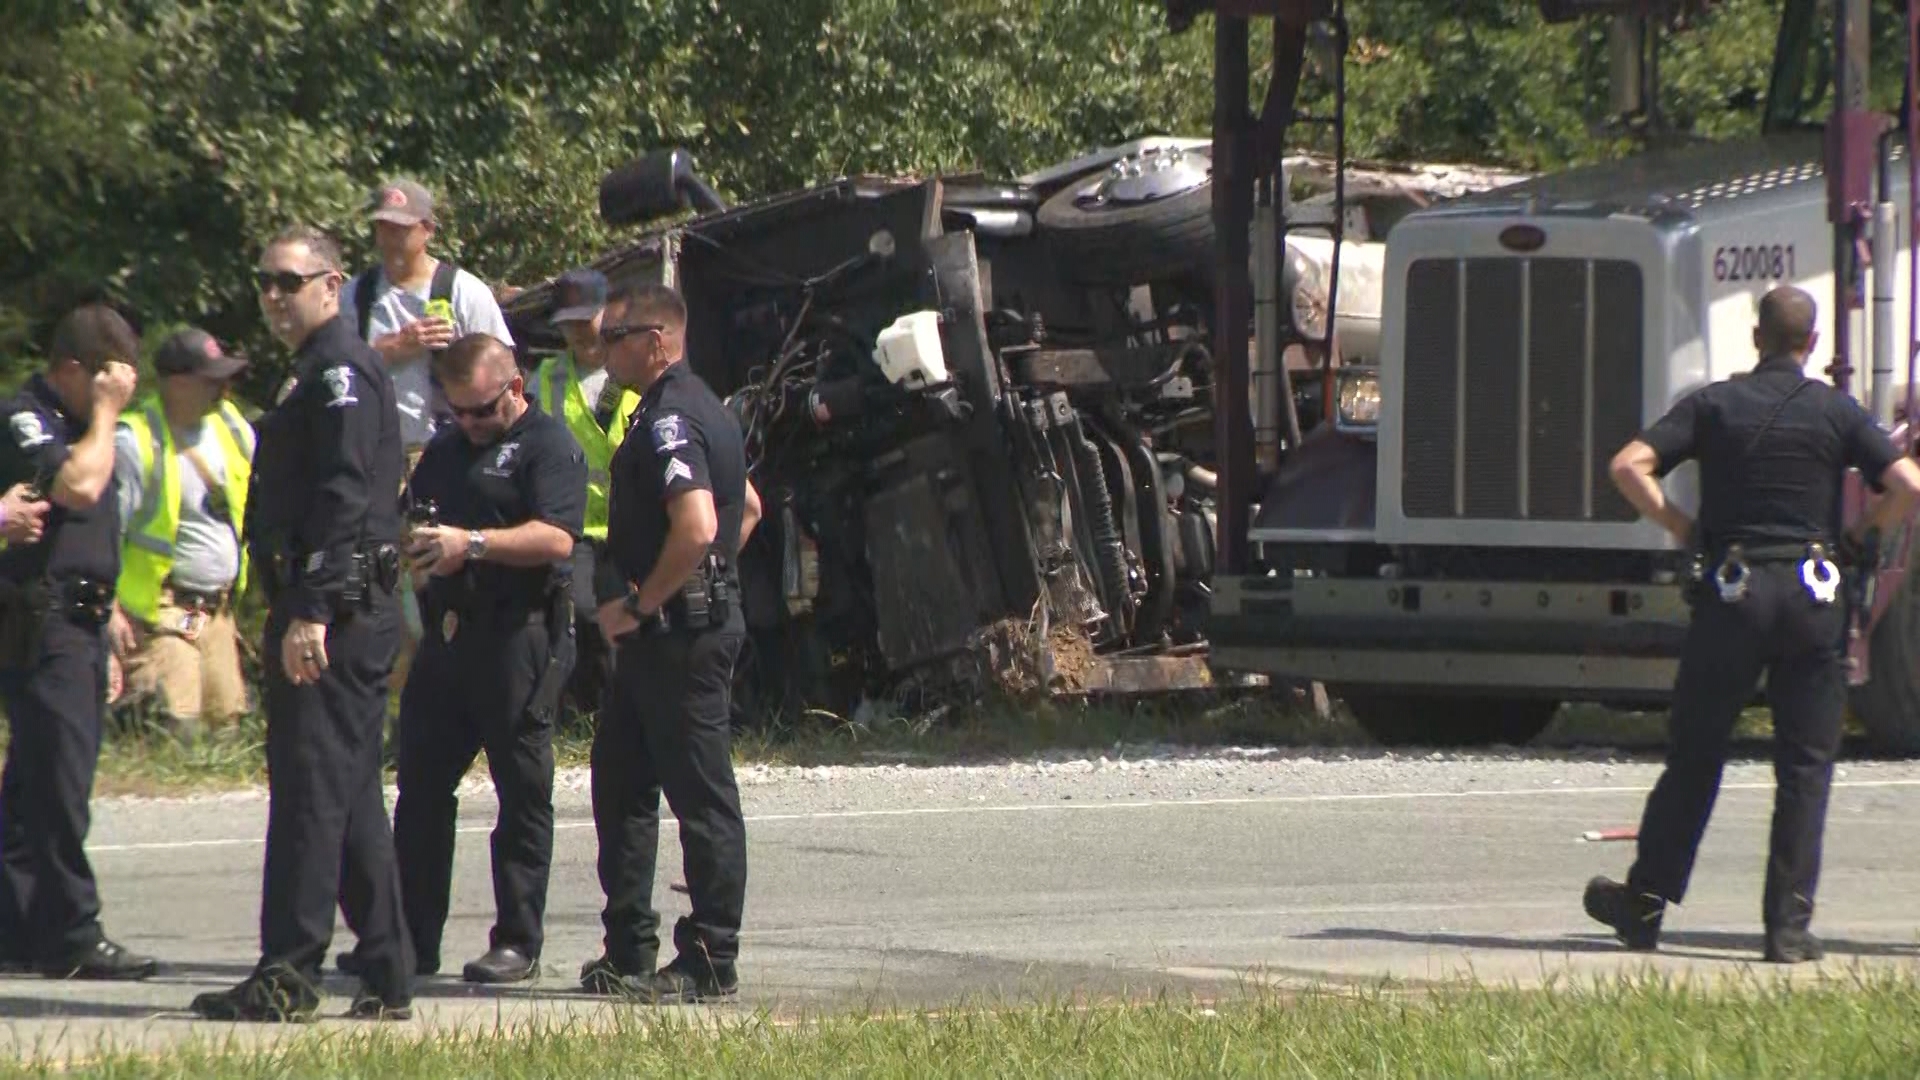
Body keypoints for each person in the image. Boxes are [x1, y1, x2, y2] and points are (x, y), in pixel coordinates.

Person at [1585, 284, 1920, 962]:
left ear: (1756, 338)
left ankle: (1644, 906)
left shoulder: (1715, 405)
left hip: (1732, 592)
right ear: (1813, 344)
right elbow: (1908, 484)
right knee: (1805, 765)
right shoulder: (1834, 410)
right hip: (1811, 592)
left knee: (1696, 756)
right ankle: (1787, 928)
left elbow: (1629, 465)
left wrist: (1684, 528)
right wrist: (1856, 539)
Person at [190, 224, 413, 1021]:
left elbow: (346, 494)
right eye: (266, 283)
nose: (276, 296)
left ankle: (289, 974)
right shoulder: (314, 370)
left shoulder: (342, 371)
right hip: (331, 601)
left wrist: (312, 608)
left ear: (331, 283)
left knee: (311, 793)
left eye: (290, 280)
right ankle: (387, 967)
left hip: (337, 607)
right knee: (344, 792)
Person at [370, 333, 583, 985]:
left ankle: (517, 940)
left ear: (513, 388)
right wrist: (417, 547)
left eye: (481, 410)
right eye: (456, 410)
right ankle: (411, 938)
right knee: (421, 791)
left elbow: (557, 536)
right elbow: (415, 514)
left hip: (517, 634)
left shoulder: (548, 446)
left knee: (522, 792)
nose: (468, 422)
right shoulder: (445, 448)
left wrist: (475, 543)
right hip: (450, 636)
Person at [579, 282, 761, 1002]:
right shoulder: (688, 408)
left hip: (677, 635)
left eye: (615, 336)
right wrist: (705, 582)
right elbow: (746, 507)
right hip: (673, 628)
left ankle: (710, 959)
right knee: (620, 783)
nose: (603, 349)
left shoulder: (670, 421)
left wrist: (645, 600)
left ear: (656, 342)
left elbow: (699, 526)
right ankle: (628, 947)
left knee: (700, 797)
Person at [0, 303, 151, 980]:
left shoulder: (81, 423)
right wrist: (109, 414)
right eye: (105, 379)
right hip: (45, 620)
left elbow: (89, 533)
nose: (118, 392)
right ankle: (72, 932)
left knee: (38, 779)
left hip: (85, 618)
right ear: (70, 370)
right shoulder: (30, 414)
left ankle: (19, 925)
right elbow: (82, 488)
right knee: (59, 781)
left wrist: (111, 613)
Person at [340, 178, 515, 694]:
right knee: (382, 588)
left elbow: (506, 368)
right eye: (381, 229)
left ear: (428, 231)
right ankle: (396, 708)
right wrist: (393, 346)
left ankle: (453, 698)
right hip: (375, 459)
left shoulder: (463, 291)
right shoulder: (358, 294)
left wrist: (462, 357)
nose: (390, 241)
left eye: (401, 230)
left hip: (442, 454)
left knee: (439, 586)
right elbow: (334, 372)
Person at [108, 327, 255, 739]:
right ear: (176, 383)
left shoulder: (234, 428)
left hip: (219, 613)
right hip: (161, 612)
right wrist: (110, 610)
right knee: (175, 732)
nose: (222, 389)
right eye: (210, 380)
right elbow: (103, 535)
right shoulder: (135, 442)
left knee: (228, 732)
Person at [533, 267, 640, 724]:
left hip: (626, 524)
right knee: (576, 622)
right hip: (571, 526)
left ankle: (624, 714)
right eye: (568, 322)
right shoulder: (547, 377)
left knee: (625, 625)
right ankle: (582, 718)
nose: (578, 331)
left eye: (586, 319)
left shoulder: (632, 369)